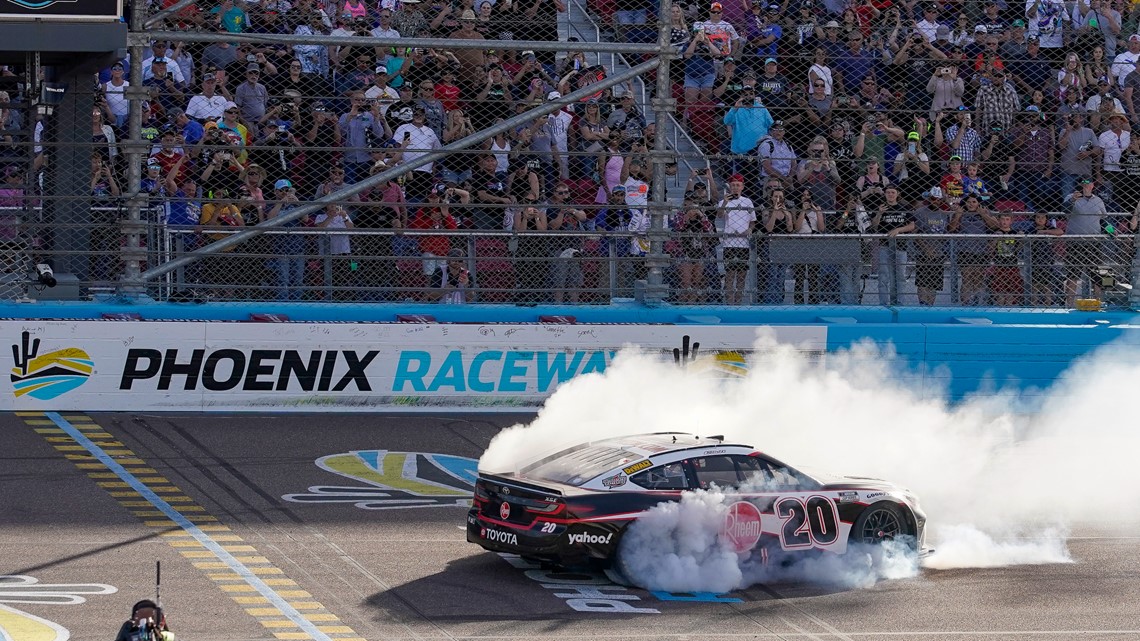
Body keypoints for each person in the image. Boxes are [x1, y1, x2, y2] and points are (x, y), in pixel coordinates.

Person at [871, 184, 914, 305]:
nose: (890, 194)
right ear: (885, 194)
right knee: (884, 276)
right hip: (884, 246)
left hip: (900, 246)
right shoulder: (880, 208)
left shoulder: (904, 208)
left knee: (900, 276)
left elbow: (912, 225)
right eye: (888, 192)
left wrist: (898, 230)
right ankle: (883, 303)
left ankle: (899, 302)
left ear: (897, 194)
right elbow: (874, 226)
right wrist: (879, 213)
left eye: (893, 192)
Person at [1067, 177, 1108, 303]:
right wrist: (1073, 200)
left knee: (1097, 274)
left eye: (1087, 182)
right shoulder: (1071, 197)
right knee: (1073, 275)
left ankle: (1098, 303)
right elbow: (1064, 212)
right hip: (1076, 242)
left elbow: (1103, 220)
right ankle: (1069, 304)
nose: (1085, 185)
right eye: (1082, 182)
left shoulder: (1099, 200)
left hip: (1094, 241)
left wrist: (1112, 231)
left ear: (1092, 185)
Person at [716, 173, 756, 305]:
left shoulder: (747, 201)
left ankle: (738, 302)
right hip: (729, 242)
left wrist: (749, 230)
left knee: (741, 275)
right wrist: (725, 202)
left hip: (743, 243)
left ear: (742, 187)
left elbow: (752, 220)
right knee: (729, 275)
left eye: (738, 185)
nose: (735, 187)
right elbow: (720, 216)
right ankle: (729, 303)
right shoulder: (724, 201)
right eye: (733, 185)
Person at [912, 187, 950, 306]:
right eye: (933, 199)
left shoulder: (944, 215)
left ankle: (930, 305)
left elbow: (946, 233)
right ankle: (923, 304)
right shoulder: (920, 212)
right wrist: (926, 248)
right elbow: (915, 233)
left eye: (938, 200)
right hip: (922, 253)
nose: (936, 202)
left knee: (934, 283)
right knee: (922, 282)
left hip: (938, 253)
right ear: (929, 199)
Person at [988, 212, 1024, 305]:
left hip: (1012, 264)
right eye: (1002, 219)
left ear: (1011, 221)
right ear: (999, 220)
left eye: (1007, 219)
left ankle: (1009, 308)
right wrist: (996, 239)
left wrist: (1021, 238)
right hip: (999, 265)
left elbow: (1018, 248)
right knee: (1000, 291)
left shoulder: (1014, 233)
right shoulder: (995, 232)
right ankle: (1000, 306)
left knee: (1011, 290)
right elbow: (990, 248)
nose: (1004, 222)